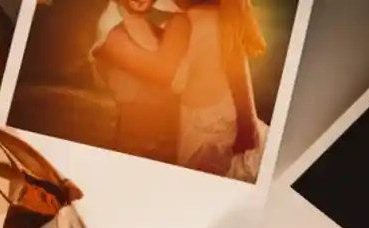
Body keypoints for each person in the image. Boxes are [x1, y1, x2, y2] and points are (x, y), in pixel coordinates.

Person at [93, 0, 269, 180]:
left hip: (209, 135)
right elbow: (236, 66)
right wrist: (249, 123)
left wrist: (117, 39)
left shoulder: (187, 22)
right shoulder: (214, 17)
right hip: (218, 124)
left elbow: (165, 73)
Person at [92, 0, 181, 162]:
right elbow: (163, 74)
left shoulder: (165, 14)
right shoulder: (111, 30)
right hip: (135, 143)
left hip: (166, 141)